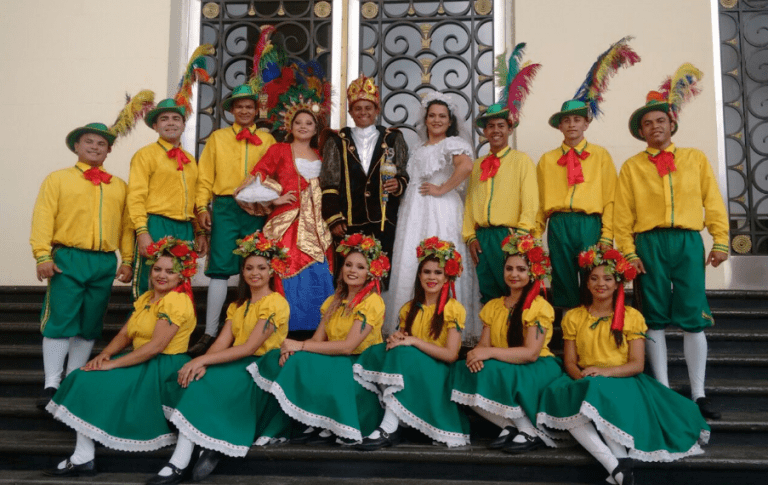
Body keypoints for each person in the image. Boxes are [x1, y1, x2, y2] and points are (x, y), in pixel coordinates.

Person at [537, 246, 710, 485]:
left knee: (598, 395)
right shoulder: (574, 317)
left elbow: (637, 364)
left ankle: (617, 462)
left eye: (607, 279)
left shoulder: (631, 316)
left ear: (618, 284)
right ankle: (616, 464)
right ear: (586, 284)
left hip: (621, 378)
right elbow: (570, 362)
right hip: (583, 377)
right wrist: (582, 380)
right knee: (566, 401)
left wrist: (604, 373)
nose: (601, 284)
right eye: (594, 278)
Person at [615, 63, 729, 419]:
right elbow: (622, 216)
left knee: (694, 315)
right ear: (641, 131)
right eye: (647, 123)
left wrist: (721, 240)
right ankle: (662, 391)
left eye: (659, 121)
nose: (654, 127)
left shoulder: (694, 159)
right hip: (649, 245)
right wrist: (628, 253)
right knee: (654, 318)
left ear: (671, 124)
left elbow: (712, 199)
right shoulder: (632, 167)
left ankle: (698, 393)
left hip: (687, 241)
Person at [44, 237, 198, 477]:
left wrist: (112, 364)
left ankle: (85, 455)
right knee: (81, 377)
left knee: (92, 380)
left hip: (163, 365)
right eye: (157, 269)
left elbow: (155, 347)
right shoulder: (147, 298)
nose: (162, 275)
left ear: (182, 276)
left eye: (170, 271)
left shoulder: (176, 301)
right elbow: (126, 333)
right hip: (141, 359)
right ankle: (83, 456)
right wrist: (104, 355)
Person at [146, 231, 291, 484]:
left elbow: (249, 348)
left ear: (272, 271)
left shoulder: (275, 303)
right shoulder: (239, 305)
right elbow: (222, 342)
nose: (254, 272)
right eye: (248, 268)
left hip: (262, 366)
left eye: (261, 267)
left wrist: (201, 360)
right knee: (194, 378)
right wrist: (202, 363)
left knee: (208, 381)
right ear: (242, 271)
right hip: (238, 360)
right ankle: (205, 440)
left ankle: (179, 461)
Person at [30, 119, 135, 410]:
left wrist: (127, 260)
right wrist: (42, 255)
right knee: (61, 320)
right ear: (76, 145)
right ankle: (52, 383)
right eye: (89, 141)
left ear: (108, 150)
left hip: (103, 261)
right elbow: (43, 216)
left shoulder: (119, 186)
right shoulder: (58, 179)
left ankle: (73, 378)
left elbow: (127, 227)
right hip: (68, 257)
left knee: (90, 323)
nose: (95, 147)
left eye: (101, 144)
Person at [536, 37, 639, 309]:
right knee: (563, 279)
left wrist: (607, 235)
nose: (572, 124)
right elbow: (539, 202)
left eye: (577, 119)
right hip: (559, 224)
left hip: (589, 223)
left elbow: (610, 198)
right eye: (567, 120)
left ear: (586, 123)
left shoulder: (601, 156)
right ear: (560, 126)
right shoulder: (547, 160)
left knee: (594, 280)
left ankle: (591, 336)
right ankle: (569, 336)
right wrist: (534, 234)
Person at [235, 69, 335, 333]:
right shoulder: (278, 150)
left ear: (316, 129)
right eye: (298, 122)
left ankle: (316, 330)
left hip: (318, 228)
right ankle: (283, 327)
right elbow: (251, 182)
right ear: (290, 126)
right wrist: (276, 198)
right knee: (285, 269)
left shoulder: (321, 156)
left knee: (320, 273)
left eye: (309, 123)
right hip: (285, 226)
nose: (303, 127)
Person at [268, 233, 389, 445]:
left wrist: (300, 344)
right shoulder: (333, 301)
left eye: (360, 267)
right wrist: (294, 349)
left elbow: (348, 347)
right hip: (338, 358)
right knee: (298, 359)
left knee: (311, 356)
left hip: (360, 363)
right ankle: (311, 419)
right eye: (349, 265)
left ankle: (331, 422)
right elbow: (317, 339)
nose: (352, 270)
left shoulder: (373, 302)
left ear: (371, 273)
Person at [451, 234, 562, 453]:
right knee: (462, 370)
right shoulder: (494, 306)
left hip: (535, 366)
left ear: (532, 273)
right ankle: (512, 426)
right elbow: (484, 345)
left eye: (521, 269)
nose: (514, 274)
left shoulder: (539, 306)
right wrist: (475, 356)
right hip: (506, 362)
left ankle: (527, 429)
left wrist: (489, 353)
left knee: (498, 369)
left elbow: (530, 353)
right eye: (509, 268)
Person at [354, 237, 469, 449]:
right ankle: (375, 421)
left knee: (404, 353)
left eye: (438, 273)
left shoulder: (453, 309)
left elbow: (451, 355)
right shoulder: (409, 308)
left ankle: (389, 426)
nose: (431, 277)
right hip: (412, 367)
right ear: (419, 275)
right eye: (426, 272)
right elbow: (403, 339)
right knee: (380, 351)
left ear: (447, 278)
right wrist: (396, 339)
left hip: (439, 372)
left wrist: (413, 341)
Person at [385, 92, 479, 342]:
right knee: (411, 257)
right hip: (414, 209)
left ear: (450, 121)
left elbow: (466, 167)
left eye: (442, 116)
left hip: (441, 208)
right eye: (432, 116)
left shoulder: (452, 143)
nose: (437, 120)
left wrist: (442, 188)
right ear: (425, 119)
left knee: (440, 255)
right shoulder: (417, 148)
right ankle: (412, 323)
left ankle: (445, 327)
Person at [195, 84, 277, 354]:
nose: (244, 110)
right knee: (220, 267)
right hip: (226, 206)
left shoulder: (267, 141)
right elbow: (205, 176)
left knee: (255, 264)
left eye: (249, 106)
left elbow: (275, 175)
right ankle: (210, 332)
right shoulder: (218, 138)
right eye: (239, 106)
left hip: (257, 208)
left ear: (256, 110)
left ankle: (250, 329)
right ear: (231, 110)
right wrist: (201, 208)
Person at [463, 43, 540, 304]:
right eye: (490, 126)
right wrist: (470, 235)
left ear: (509, 129)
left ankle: (514, 343)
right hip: (483, 237)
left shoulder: (521, 161)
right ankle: (493, 341)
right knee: (489, 291)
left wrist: (521, 236)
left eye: (500, 126)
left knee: (514, 292)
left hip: (509, 235)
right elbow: (470, 203)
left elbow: (530, 203)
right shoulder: (477, 165)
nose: (495, 130)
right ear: (485, 132)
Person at [320, 75, 409, 288]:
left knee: (381, 276)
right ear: (350, 112)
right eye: (357, 108)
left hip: (383, 221)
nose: (363, 112)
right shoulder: (337, 140)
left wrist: (399, 184)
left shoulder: (393, 138)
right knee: (349, 277)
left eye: (368, 107)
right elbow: (329, 182)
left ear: (376, 110)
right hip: (349, 222)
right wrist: (333, 218)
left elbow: (404, 173)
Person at [128, 98, 208, 299]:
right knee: (150, 279)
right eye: (164, 119)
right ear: (155, 126)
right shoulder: (145, 156)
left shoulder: (190, 161)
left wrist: (199, 232)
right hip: (156, 223)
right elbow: (136, 196)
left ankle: (174, 327)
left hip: (184, 227)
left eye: (176, 118)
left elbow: (196, 200)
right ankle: (141, 327)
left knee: (181, 279)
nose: (170, 123)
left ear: (183, 125)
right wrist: (142, 231)